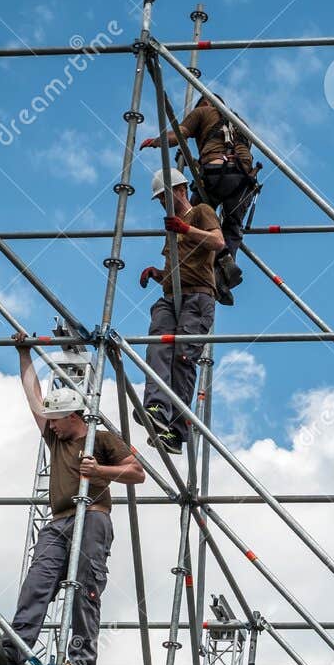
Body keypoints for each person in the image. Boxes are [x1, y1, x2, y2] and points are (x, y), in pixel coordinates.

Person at [0, 333, 145, 665]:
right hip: (59, 521)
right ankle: (16, 647)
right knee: (36, 584)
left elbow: (137, 472)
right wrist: (24, 355)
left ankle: (81, 661)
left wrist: (100, 470)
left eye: (56, 420)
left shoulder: (101, 439)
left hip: (93, 518)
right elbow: (34, 398)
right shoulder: (54, 436)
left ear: (73, 416)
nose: (51, 426)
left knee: (85, 589)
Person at [134, 167, 224, 455]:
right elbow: (179, 268)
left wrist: (185, 229)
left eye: (165, 196)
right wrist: (159, 274)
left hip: (198, 298)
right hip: (172, 297)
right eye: (160, 199)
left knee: (183, 358)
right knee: (158, 347)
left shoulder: (200, 212)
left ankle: (177, 429)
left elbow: (217, 242)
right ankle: (157, 407)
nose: (163, 202)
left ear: (181, 190)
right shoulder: (172, 227)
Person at [140, 93, 257, 273]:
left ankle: (201, 263)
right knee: (232, 228)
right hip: (244, 184)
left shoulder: (203, 110)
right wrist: (193, 163)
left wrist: (156, 142)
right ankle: (224, 273)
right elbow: (230, 155)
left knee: (194, 215)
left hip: (216, 176)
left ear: (206, 102)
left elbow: (180, 135)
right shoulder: (240, 124)